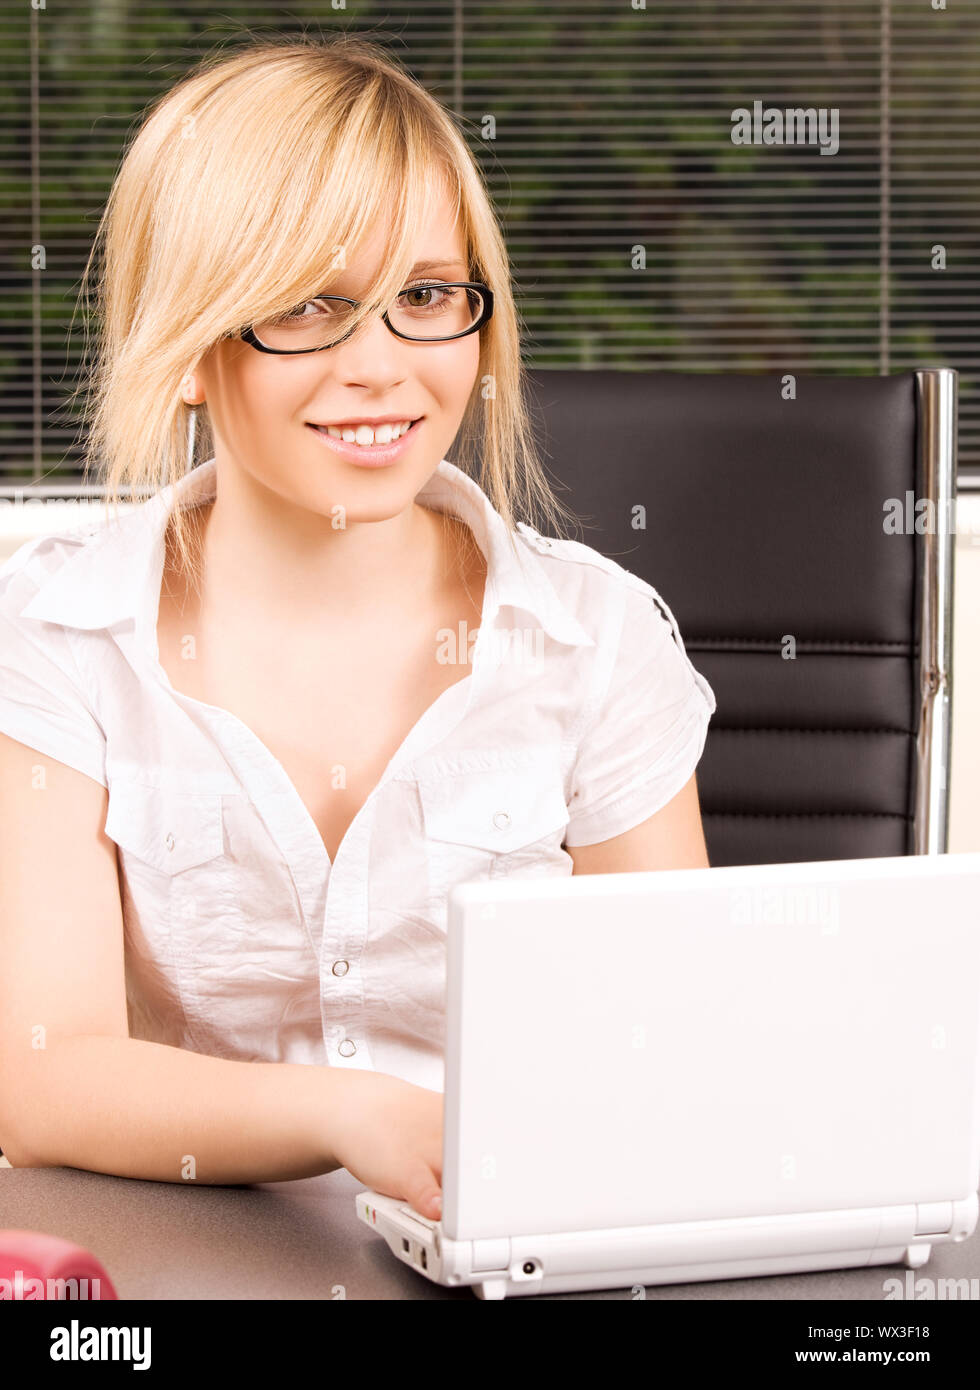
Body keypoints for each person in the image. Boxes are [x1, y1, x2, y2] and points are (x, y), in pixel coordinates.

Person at [0, 36, 715, 1221]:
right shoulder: (58, 634)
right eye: (307, 306)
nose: (381, 367)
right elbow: (37, 1073)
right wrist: (347, 1113)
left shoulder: (594, 639)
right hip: (188, 1260)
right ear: (186, 348)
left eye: (425, 298)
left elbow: (680, 1049)